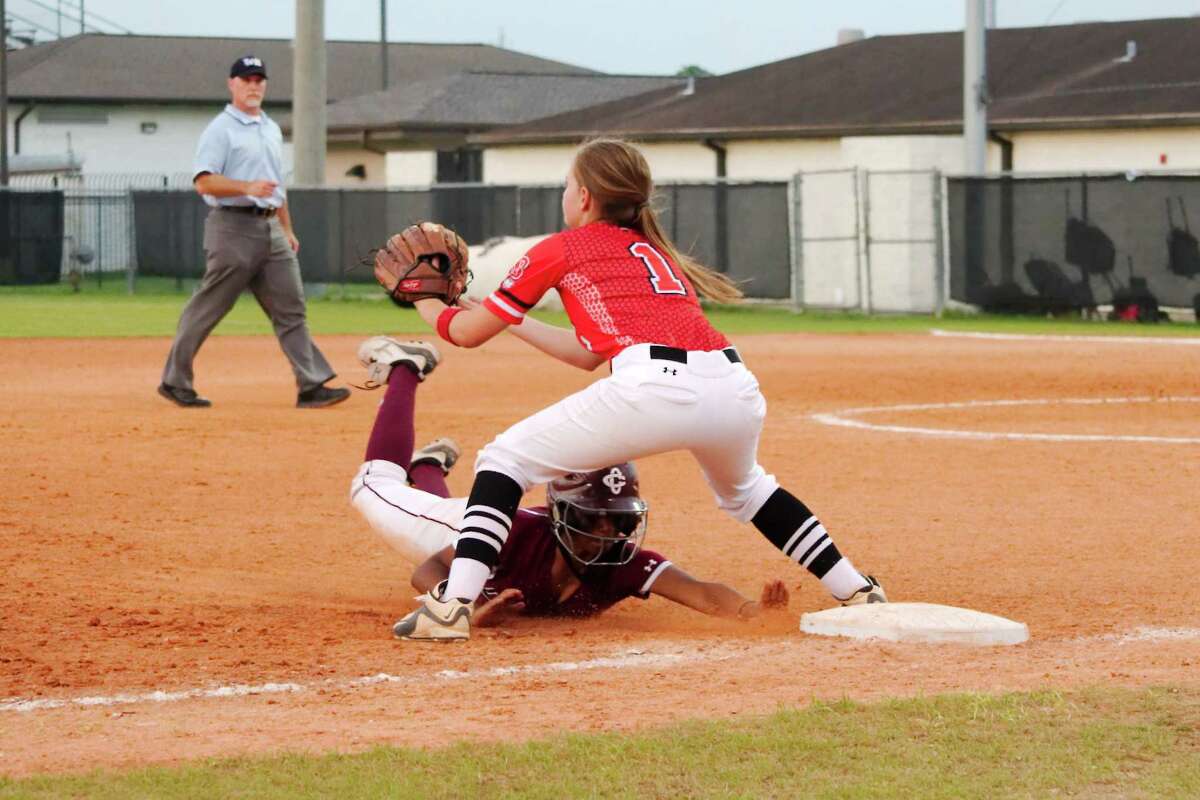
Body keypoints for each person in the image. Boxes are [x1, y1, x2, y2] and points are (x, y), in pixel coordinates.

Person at [385, 138, 886, 642]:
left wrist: (422, 297)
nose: (565, 194)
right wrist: (512, 320)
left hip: (655, 387)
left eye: (567, 184)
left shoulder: (560, 247)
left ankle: (451, 608)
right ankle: (857, 590)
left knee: (503, 460)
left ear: (582, 196)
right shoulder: (654, 252)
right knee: (749, 490)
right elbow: (587, 355)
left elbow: (464, 335)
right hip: (732, 385)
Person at [349, 336, 789, 638]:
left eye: (618, 521)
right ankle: (406, 365)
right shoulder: (517, 533)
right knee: (371, 487)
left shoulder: (621, 562)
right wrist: (464, 604)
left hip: (475, 526)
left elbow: (702, 592)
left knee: (417, 496)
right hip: (455, 527)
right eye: (592, 518)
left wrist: (753, 613)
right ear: (560, 514)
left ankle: (427, 467)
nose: (607, 533)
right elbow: (427, 569)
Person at [158, 55, 349, 409]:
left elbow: (276, 186)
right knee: (208, 308)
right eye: (246, 79)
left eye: (259, 79)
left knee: (292, 309)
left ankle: (311, 384)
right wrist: (247, 186)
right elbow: (204, 182)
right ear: (232, 84)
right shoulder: (220, 129)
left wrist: (287, 228)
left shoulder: (270, 128)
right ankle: (175, 381)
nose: (253, 85)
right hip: (231, 227)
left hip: (270, 228)